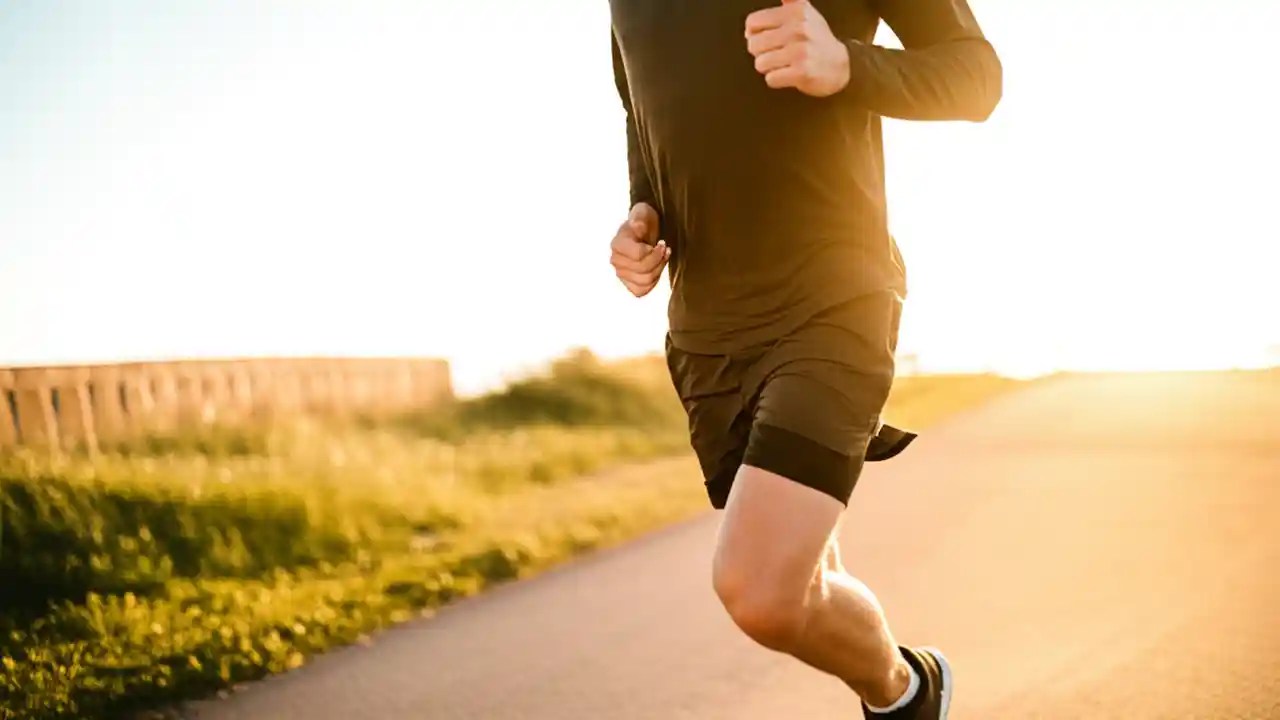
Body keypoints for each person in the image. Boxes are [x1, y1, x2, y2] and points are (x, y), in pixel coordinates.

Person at [607, 0, 1001, 717]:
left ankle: (907, 690)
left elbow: (977, 76)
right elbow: (645, 117)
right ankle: (901, 698)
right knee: (806, 576)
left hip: (833, 299)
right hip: (708, 334)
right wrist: (643, 217)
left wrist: (846, 63)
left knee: (760, 589)